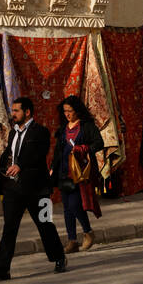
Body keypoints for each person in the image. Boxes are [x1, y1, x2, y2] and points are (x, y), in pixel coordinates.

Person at [0, 97, 66, 281]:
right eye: (12, 111)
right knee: (9, 229)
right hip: (14, 189)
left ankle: (59, 257)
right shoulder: (13, 133)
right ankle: (3, 270)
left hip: (38, 189)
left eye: (16, 111)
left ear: (27, 112)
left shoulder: (40, 132)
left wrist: (20, 164)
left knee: (45, 225)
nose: (13, 114)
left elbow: (38, 154)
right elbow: (10, 155)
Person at [51, 95, 104, 254]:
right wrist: (53, 167)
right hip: (64, 171)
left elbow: (99, 143)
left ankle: (88, 232)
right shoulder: (63, 129)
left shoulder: (87, 126)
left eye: (70, 111)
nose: (67, 114)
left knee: (75, 204)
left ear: (77, 111)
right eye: (65, 111)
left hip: (80, 171)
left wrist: (84, 149)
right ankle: (72, 240)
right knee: (67, 207)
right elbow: (58, 151)